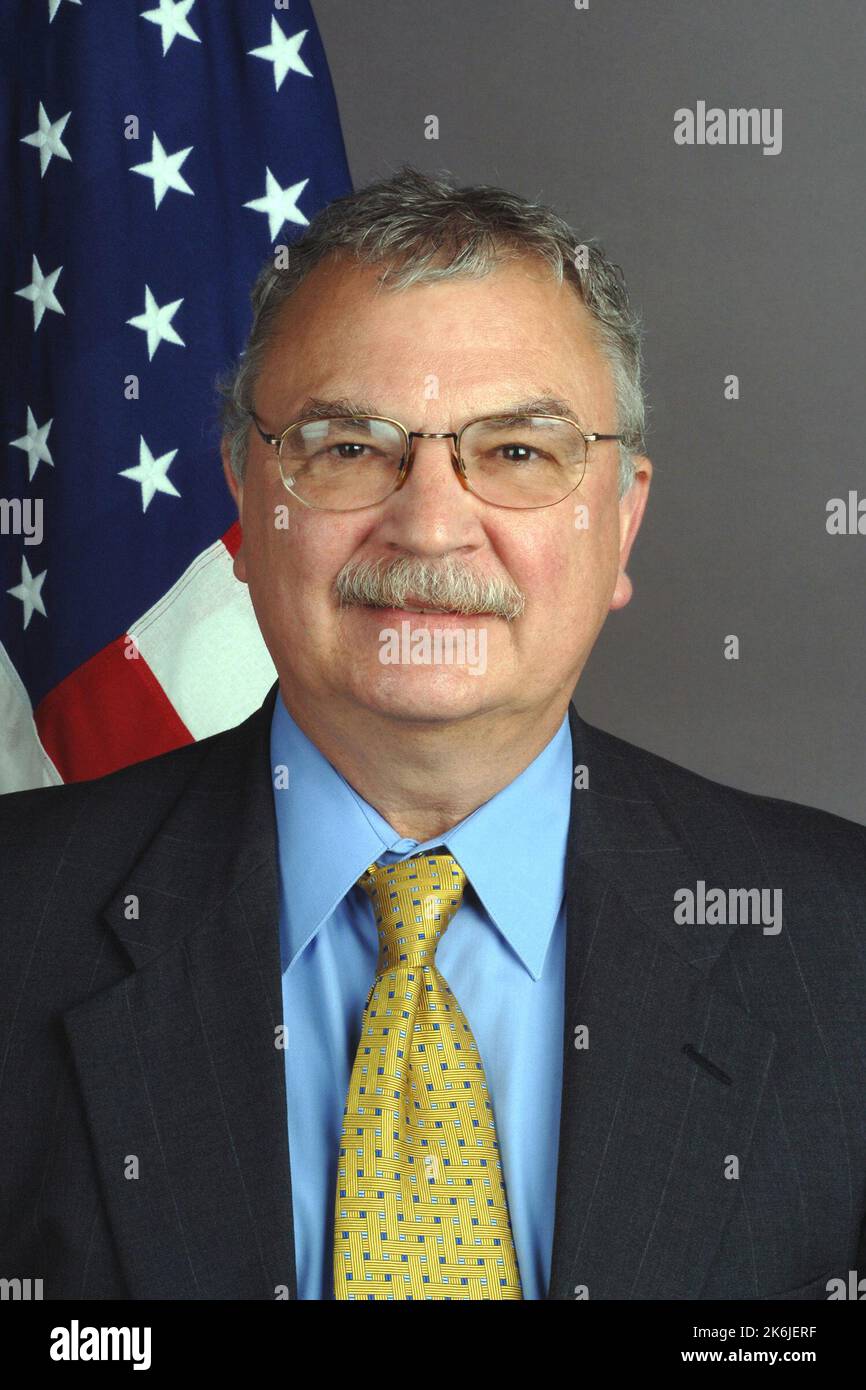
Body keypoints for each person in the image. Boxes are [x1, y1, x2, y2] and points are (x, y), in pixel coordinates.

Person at [2, 167, 864, 1301]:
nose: (428, 521)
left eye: (514, 451)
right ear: (245, 505)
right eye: (348, 446)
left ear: (619, 517)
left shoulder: (837, 947)